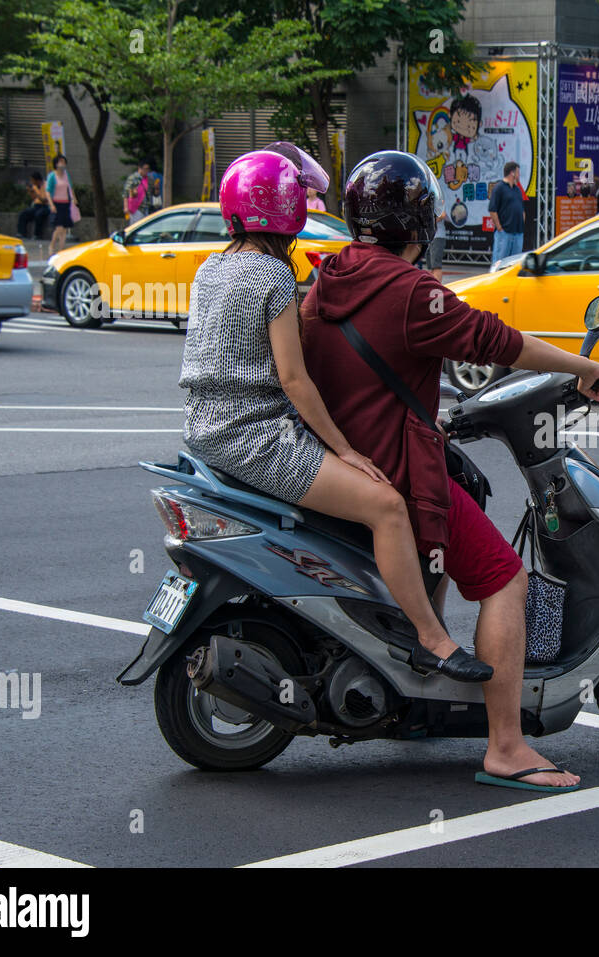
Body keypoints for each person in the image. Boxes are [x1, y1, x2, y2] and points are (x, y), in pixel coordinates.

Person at [300, 150, 599, 792]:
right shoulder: (412, 291)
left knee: (465, 487)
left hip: (339, 460)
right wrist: (582, 368)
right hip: (396, 468)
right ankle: (506, 746)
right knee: (504, 579)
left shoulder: (329, 277)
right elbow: (499, 341)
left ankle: (425, 674)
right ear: (419, 218)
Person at [179, 142, 491, 687]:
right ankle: (432, 640)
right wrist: (345, 450)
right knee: (388, 506)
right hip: (258, 438)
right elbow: (296, 380)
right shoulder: (273, 277)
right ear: (287, 211)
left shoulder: (212, 268)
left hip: (206, 432)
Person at [487, 160, 525, 264]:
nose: (519, 175)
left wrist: (522, 222)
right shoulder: (499, 188)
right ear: (512, 173)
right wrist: (499, 228)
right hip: (505, 233)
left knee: (515, 264)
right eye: (518, 172)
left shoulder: (517, 190)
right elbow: (492, 209)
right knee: (500, 262)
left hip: (518, 233)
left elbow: (521, 209)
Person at [45, 155, 77, 256]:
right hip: (56, 203)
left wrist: (74, 198)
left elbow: (70, 187)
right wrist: (51, 205)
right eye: (60, 162)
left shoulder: (66, 175)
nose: (63, 164)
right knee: (58, 227)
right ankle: (52, 245)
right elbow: (48, 192)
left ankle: (61, 250)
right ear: (56, 163)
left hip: (65, 203)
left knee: (64, 229)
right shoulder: (52, 176)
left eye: (64, 162)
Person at [17, 172, 51, 240]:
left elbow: (44, 200)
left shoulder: (46, 185)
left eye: (32, 180)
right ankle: (22, 233)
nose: (32, 182)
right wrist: (30, 192)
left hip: (46, 206)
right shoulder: (34, 186)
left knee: (39, 215)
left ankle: (37, 235)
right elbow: (34, 199)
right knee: (23, 214)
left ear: (37, 180)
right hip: (37, 205)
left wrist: (36, 193)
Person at [124, 159, 155, 225]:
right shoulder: (132, 178)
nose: (146, 171)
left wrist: (156, 188)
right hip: (136, 208)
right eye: (145, 169)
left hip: (147, 208)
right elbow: (126, 194)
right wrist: (126, 207)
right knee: (136, 227)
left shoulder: (150, 180)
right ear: (139, 168)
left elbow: (154, 193)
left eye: (148, 169)